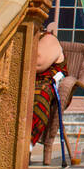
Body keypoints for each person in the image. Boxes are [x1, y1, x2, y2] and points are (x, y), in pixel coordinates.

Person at [30, 21, 68, 158]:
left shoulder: (48, 39)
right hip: (28, 82)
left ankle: (26, 143)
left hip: (45, 85)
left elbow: (38, 63)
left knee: (38, 95)